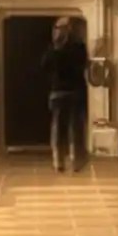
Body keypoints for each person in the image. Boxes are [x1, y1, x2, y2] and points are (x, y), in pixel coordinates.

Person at [42, 16, 87, 172]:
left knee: (67, 127)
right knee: (65, 127)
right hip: (65, 91)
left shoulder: (70, 48)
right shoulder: (61, 48)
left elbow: (46, 66)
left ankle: (67, 159)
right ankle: (63, 160)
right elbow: (45, 65)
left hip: (67, 91)